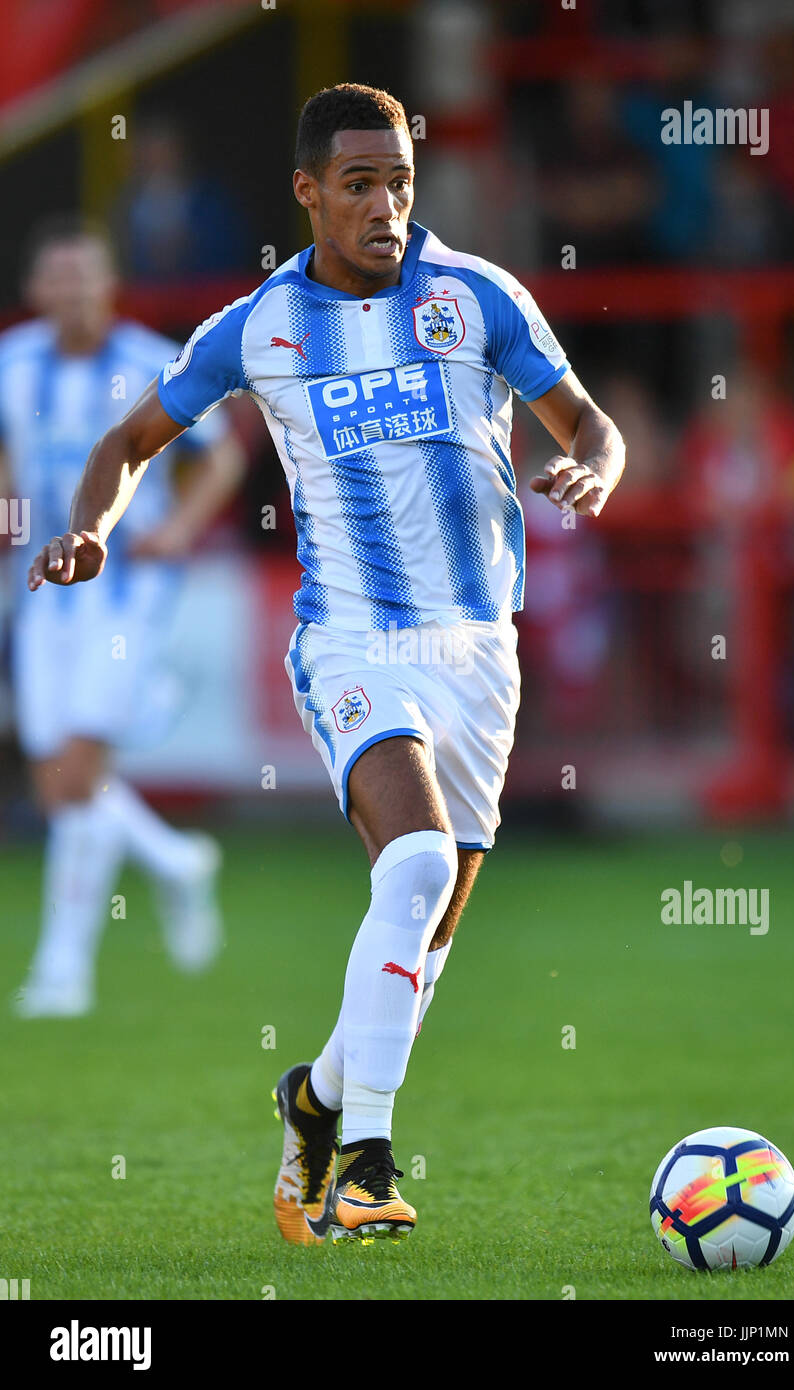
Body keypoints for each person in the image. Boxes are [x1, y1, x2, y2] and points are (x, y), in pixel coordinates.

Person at [27, 86, 625, 1241]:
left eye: (399, 181)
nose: (385, 205)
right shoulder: (260, 325)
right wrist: (97, 523)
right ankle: (365, 1162)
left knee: (428, 934)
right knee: (406, 867)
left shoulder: (479, 297)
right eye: (358, 184)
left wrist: (595, 467)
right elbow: (129, 440)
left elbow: (586, 422)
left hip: (477, 655)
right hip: (349, 639)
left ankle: (311, 1098)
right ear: (307, 192)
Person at [4, 216, 246, 1018]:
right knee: (58, 783)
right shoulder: (13, 364)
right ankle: (176, 862)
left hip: (126, 589)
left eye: (86, 276)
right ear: (37, 290)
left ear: (108, 285)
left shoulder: (150, 361)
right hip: (40, 588)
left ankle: (63, 970)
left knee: (75, 774)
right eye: (58, 278)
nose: (73, 293)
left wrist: (178, 531)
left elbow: (223, 455)